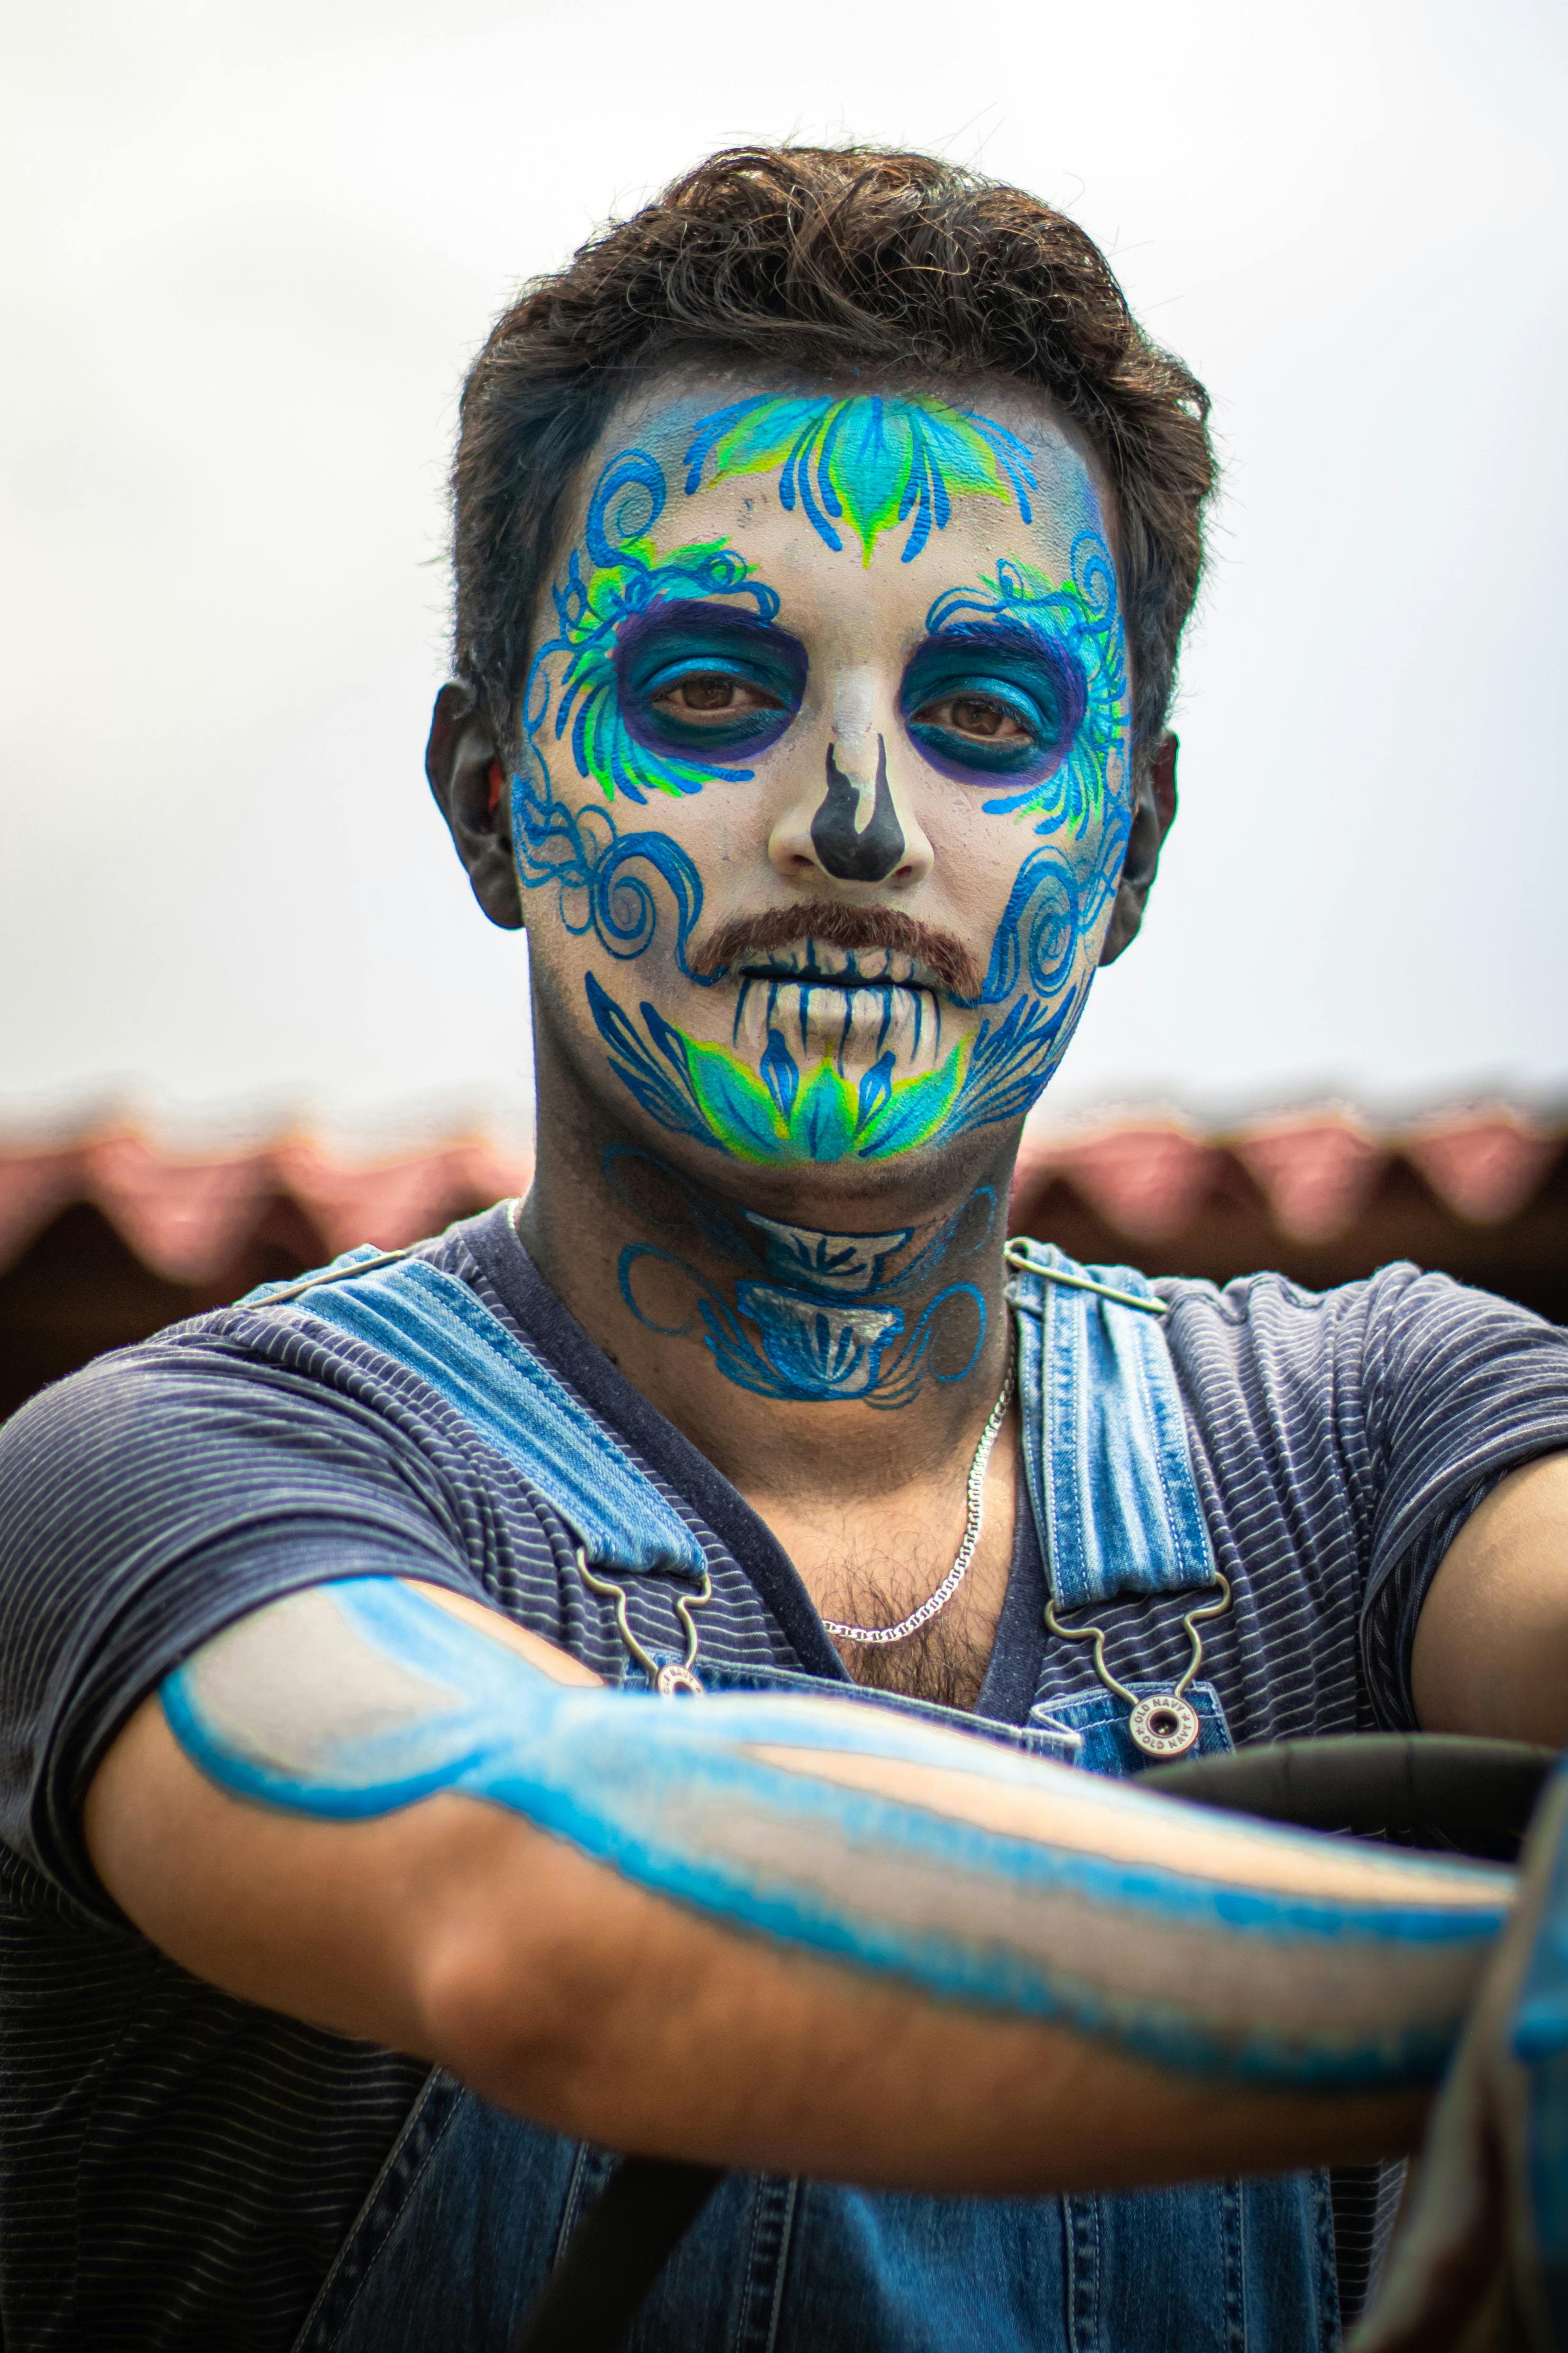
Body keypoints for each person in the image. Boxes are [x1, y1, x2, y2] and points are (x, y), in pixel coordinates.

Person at [0, 144, 1564, 2353]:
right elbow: (536, 1905)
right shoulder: (161, 1480)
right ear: (486, 798)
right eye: (715, 690)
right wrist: (1499, 1999)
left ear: (1131, 852)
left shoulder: (1383, 1432)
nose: (854, 813)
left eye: (989, 718)